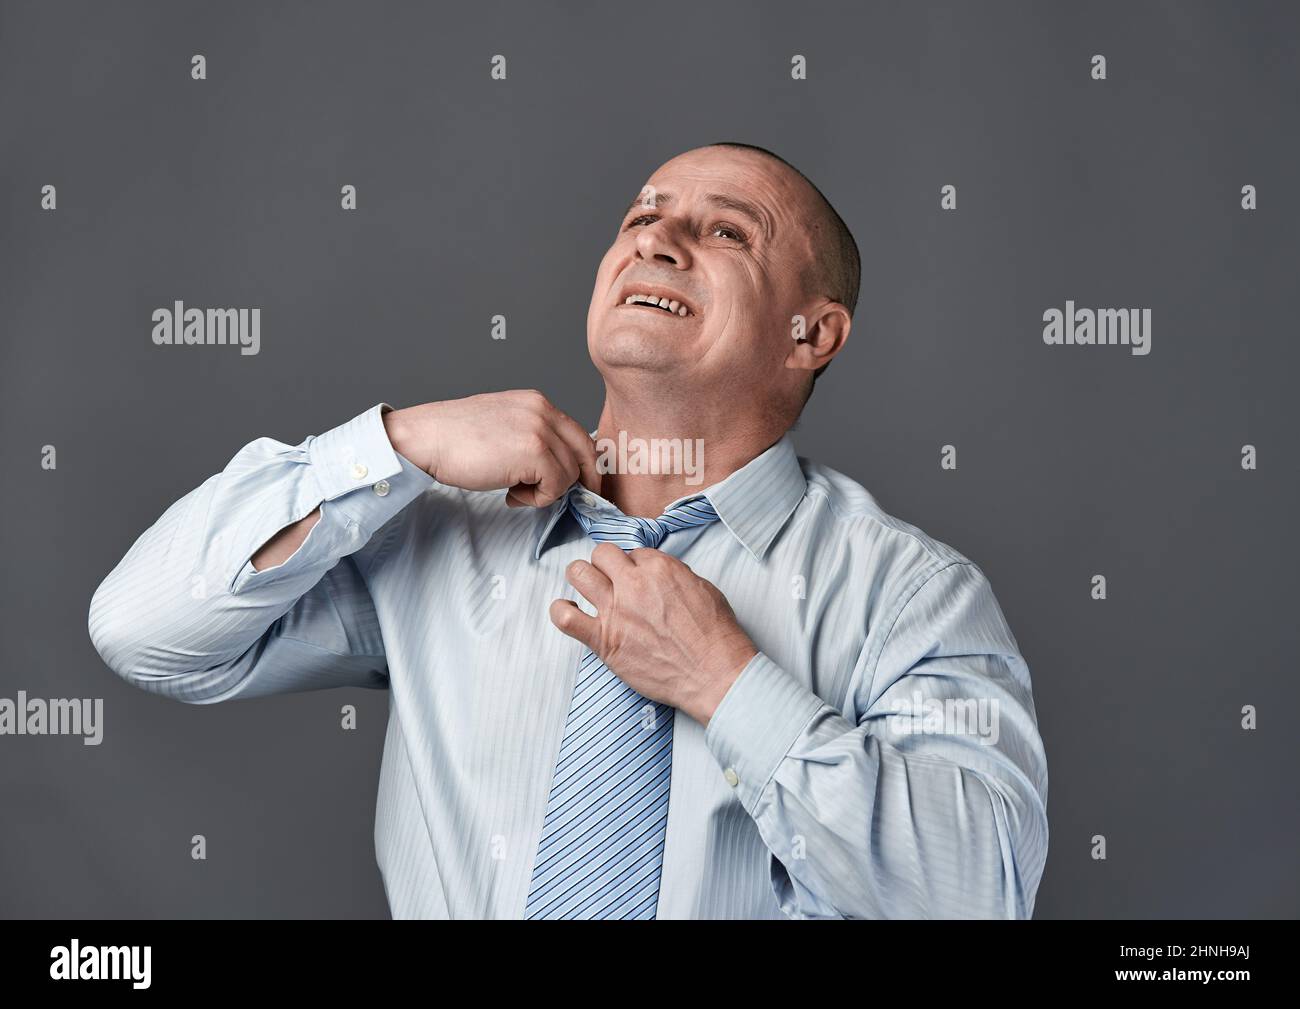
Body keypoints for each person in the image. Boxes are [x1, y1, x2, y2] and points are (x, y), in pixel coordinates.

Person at [89, 142, 1049, 919]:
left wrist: (731, 683)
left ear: (813, 335)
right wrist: (394, 443)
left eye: (723, 231)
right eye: (641, 216)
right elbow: (145, 632)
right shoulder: (432, 529)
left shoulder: (911, 593)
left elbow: (979, 893)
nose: (656, 241)